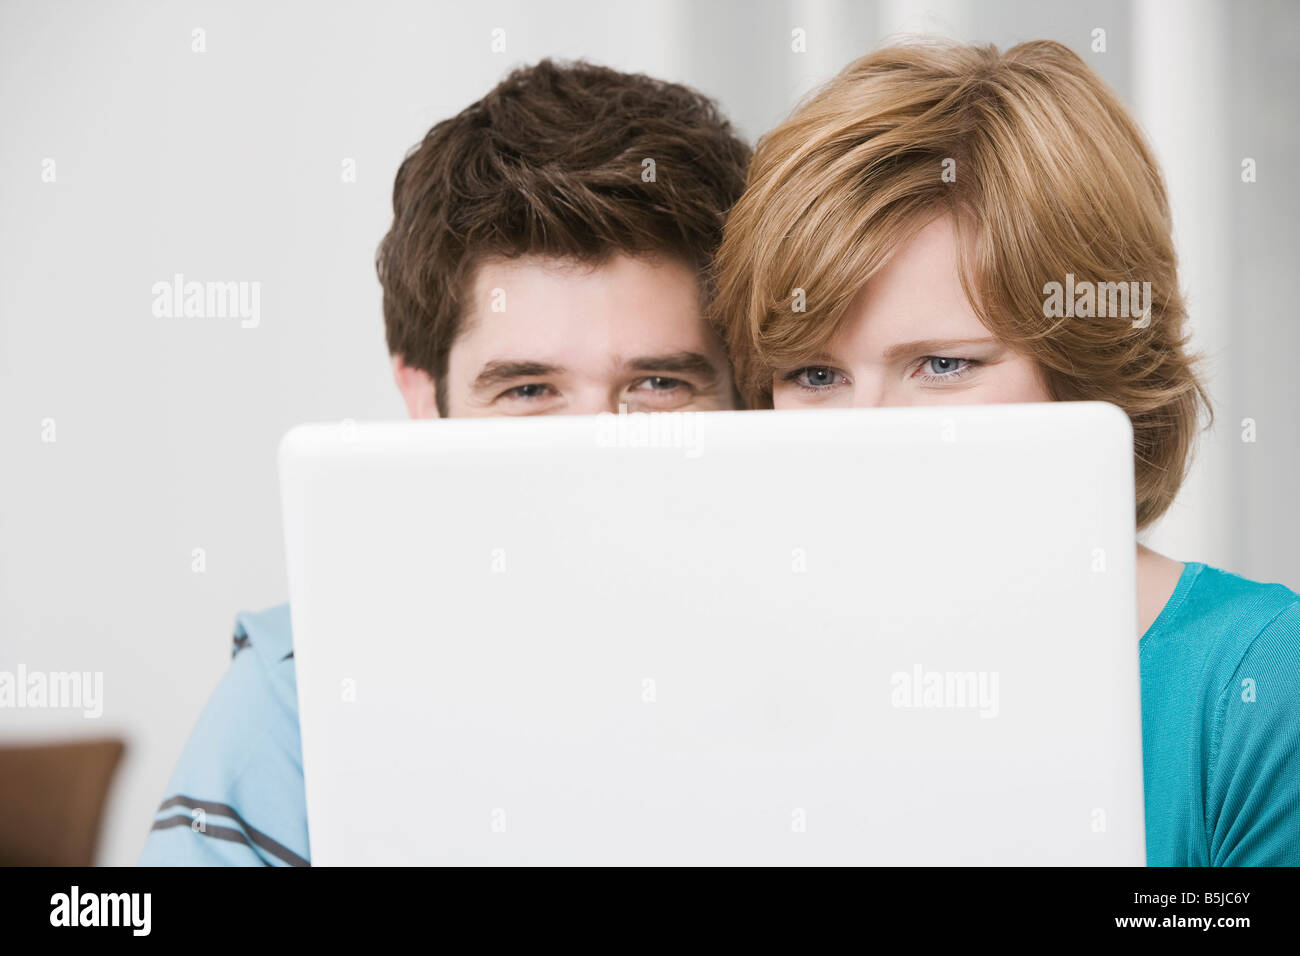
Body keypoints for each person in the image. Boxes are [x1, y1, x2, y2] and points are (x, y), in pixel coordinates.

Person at [140, 59, 750, 865]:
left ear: (750, 390)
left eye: (661, 382)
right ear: (423, 400)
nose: (597, 453)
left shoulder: (848, 659)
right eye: (529, 389)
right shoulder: (295, 706)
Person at [713, 38, 1300, 866]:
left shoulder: (1258, 686)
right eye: (815, 374)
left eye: (944, 365)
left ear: (1089, 372)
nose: (866, 437)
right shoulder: (738, 686)